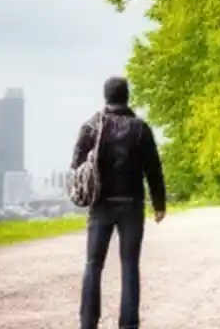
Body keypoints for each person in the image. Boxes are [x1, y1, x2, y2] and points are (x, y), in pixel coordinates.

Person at [73, 76, 167, 329]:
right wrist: (159, 203)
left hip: (100, 206)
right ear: (127, 96)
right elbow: (153, 169)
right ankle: (128, 325)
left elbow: (76, 168)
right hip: (131, 205)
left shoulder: (91, 127)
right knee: (129, 265)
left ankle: (88, 322)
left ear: (106, 96)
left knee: (93, 264)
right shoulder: (140, 128)